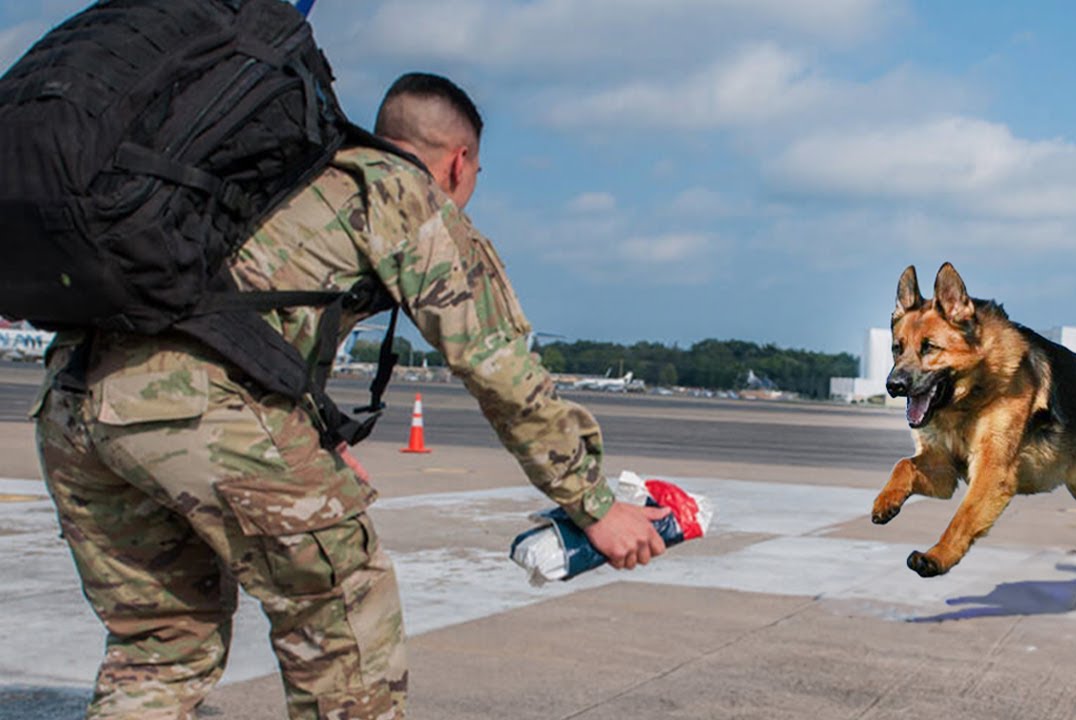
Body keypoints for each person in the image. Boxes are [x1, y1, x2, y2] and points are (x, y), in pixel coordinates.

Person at [33, 71, 670, 720]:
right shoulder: (401, 191)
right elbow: (496, 365)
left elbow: (254, 319)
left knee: (162, 644)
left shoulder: (285, 177)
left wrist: (315, 439)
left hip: (72, 402)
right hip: (199, 407)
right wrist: (592, 504)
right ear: (459, 162)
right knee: (345, 619)